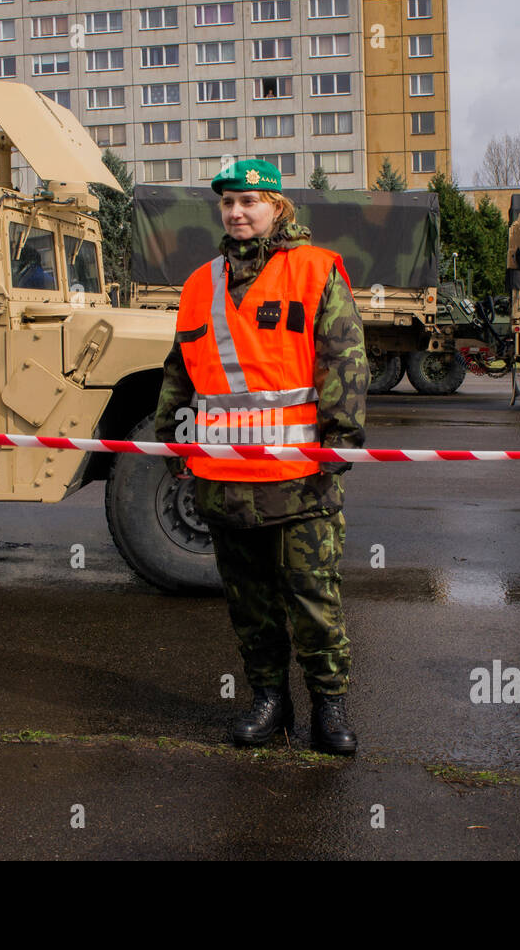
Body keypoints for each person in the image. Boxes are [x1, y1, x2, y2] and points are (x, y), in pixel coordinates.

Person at [155, 159, 369, 755]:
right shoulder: (199, 284)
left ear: (278, 207)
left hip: (301, 480)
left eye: (250, 201)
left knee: (312, 596)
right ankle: (269, 702)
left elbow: (346, 362)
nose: (236, 212)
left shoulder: (313, 270)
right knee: (249, 605)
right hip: (222, 480)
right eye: (227, 202)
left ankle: (329, 707)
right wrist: (173, 435)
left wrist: (340, 442)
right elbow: (181, 370)